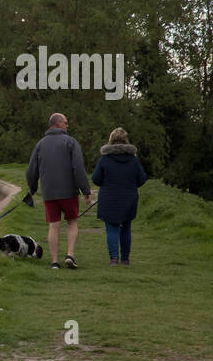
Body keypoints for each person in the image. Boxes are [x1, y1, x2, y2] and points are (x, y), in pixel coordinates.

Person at [25, 112, 92, 270]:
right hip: (69, 192)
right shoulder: (71, 142)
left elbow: (30, 171)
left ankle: (54, 262)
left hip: (49, 193)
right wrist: (85, 190)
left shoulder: (40, 144)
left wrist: (33, 189)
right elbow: (78, 168)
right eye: (66, 123)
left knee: (53, 226)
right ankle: (70, 255)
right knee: (72, 222)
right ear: (58, 123)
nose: (68, 126)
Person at [91, 127, 148, 266]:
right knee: (126, 228)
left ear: (111, 140)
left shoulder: (105, 158)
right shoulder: (133, 160)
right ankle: (125, 259)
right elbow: (142, 179)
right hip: (129, 198)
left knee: (111, 228)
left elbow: (96, 179)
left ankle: (113, 259)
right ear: (126, 140)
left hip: (109, 198)